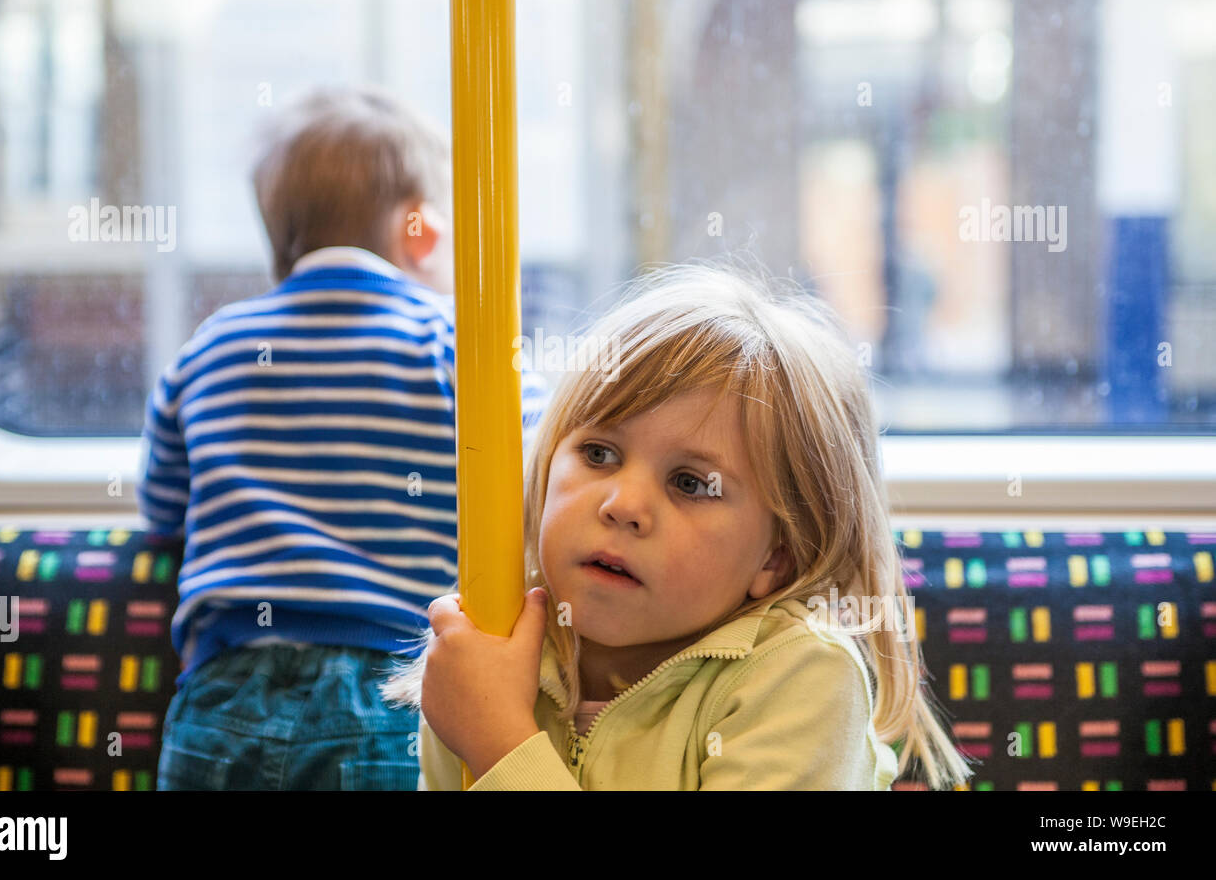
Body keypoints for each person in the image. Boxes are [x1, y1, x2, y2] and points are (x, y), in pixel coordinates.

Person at [382, 258, 972, 790]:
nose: (622, 504)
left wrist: (503, 747)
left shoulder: (803, 682)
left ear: (776, 558)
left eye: (690, 483)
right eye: (598, 454)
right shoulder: (499, 650)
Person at [137, 87, 548, 790]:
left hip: (225, 687)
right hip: (392, 692)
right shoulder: (459, 351)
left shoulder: (212, 348)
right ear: (421, 231)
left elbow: (162, 507)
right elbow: (537, 488)